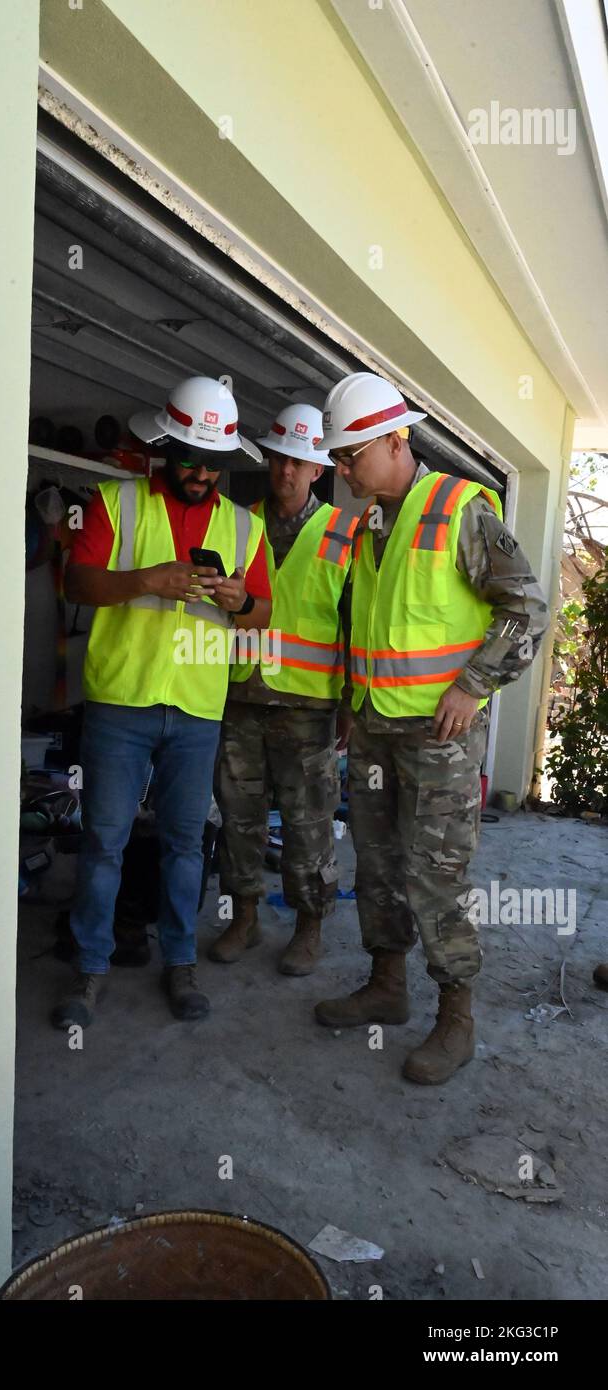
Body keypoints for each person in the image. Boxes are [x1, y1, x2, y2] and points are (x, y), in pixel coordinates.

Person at [314, 371, 550, 1084]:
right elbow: (373, 629)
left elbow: (528, 611)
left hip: (440, 736)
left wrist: (474, 686)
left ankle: (456, 1020)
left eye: (351, 454)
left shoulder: (459, 509)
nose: (343, 469)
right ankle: (387, 986)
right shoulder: (368, 526)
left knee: (437, 876)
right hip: (380, 729)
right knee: (378, 864)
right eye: (339, 458)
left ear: (395, 438)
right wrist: (356, 706)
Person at [52, 376, 270, 1028]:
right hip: (121, 704)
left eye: (214, 463)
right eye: (189, 458)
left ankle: (181, 963)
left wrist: (242, 604)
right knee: (103, 846)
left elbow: (264, 615)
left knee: (184, 847)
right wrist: (147, 580)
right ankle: (90, 971)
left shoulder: (243, 526)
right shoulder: (116, 503)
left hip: (199, 712)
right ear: (164, 447)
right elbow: (77, 581)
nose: (202, 473)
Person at [211, 403, 353, 976]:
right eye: (279, 459)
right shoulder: (239, 522)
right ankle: (242, 918)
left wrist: (349, 700)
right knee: (239, 817)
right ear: (268, 460)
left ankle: (308, 927)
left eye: (299, 462)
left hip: (309, 704)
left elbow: (354, 622)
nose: (287, 472)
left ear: (319, 469)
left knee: (308, 822)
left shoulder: (345, 533)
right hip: (240, 694)